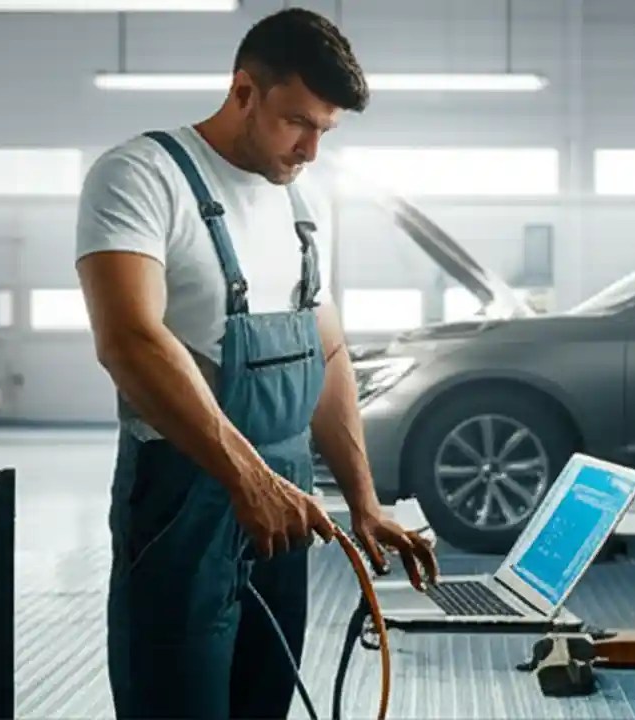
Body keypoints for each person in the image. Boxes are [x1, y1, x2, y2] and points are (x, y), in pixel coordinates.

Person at [74, 8, 439, 719]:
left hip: (288, 498)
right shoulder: (142, 176)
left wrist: (362, 499)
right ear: (244, 90)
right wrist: (246, 476)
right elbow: (129, 339)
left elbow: (325, 347)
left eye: (324, 132)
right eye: (296, 121)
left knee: (262, 702)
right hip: (185, 499)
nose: (308, 149)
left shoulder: (302, 202)